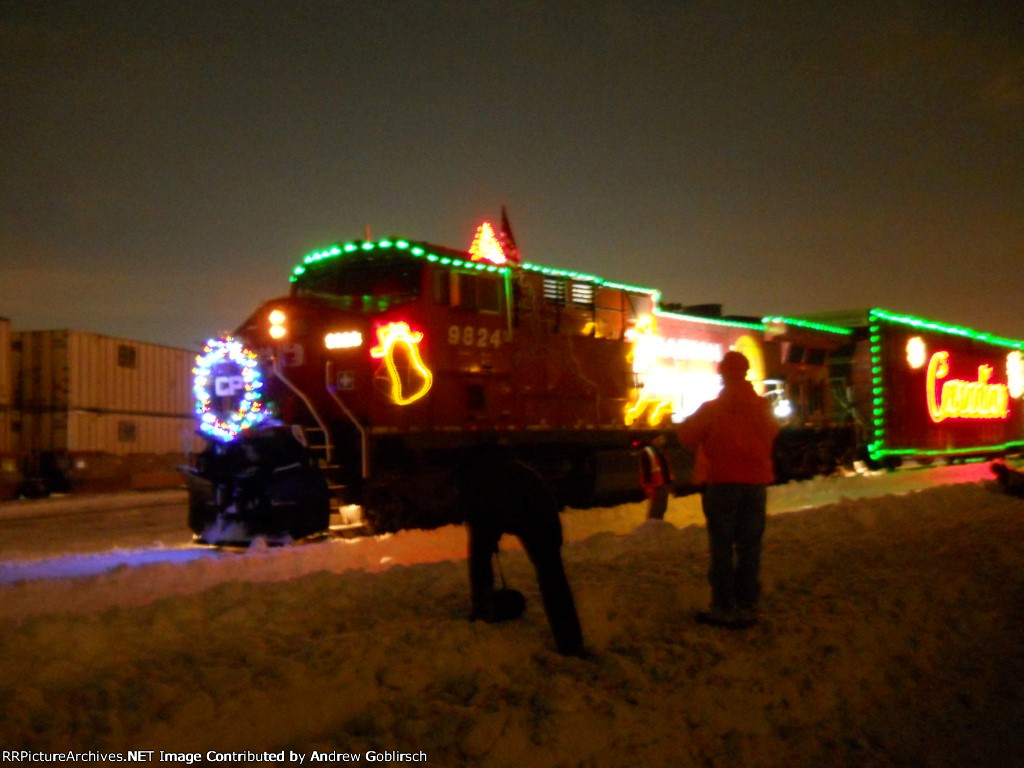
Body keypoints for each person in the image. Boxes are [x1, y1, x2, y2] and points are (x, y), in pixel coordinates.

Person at [676, 351, 780, 629]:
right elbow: (773, 431)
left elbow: (687, 435)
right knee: (750, 546)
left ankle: (723, 607)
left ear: (722, 374)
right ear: (745, 372)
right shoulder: (762, 407)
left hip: (721, 483)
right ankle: (747, 605)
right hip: (756, 483)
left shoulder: (713, 408)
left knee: (721, 545)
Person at [457, 447, 586, 657]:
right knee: (552, 577)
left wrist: (488, 540)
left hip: (527, 511)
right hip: (543, 513)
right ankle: (570, 642)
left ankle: (483, 611)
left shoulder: (475, 485)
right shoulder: (513, 471)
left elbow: (480, 553)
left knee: (481, 558)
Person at [639, 434, 672, 519]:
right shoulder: (648, 451)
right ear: (654, 439)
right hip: (655, 485)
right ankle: (652, 525)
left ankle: (657, 524)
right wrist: (648, 486)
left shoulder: (659, 450)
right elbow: (646, 470)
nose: (661, 440)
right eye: (659, 438)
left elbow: (665, 467)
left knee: (662, 507)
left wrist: (668, 481)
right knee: (656, 508)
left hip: (662, 483)